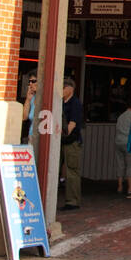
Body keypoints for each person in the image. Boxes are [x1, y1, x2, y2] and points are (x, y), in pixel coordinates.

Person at [60, 77, 84, 211]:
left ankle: (73, 201)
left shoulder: (75, 103)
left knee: (72, 170)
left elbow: (72, 123)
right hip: (62, 140)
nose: (61, 90)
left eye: (63, 87)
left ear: (70, 88)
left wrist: (65, 133)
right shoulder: (61, 102)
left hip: (72, 140)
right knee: (61, 169)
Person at [114, 102, 131, 196]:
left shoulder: (121, 116)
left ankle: (119, 186)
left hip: (118, 141)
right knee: (130, 164)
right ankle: (130, 187)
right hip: (128, 141)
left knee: (120, 164)